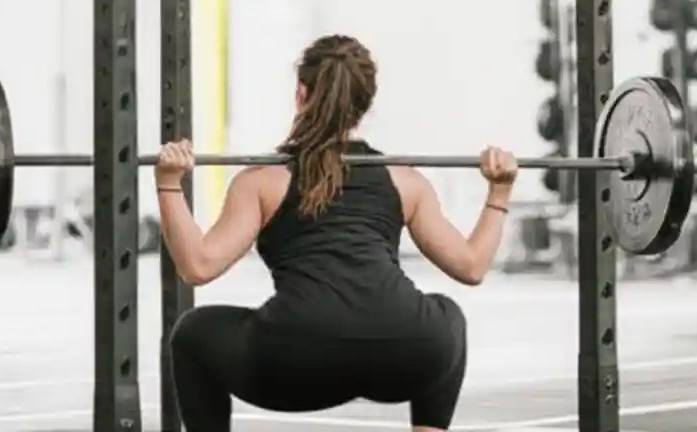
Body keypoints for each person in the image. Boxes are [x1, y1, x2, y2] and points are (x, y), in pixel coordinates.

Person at [153, 33, 519, 432]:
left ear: (300, 93)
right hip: (404, 356)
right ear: (365, 104)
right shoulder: (405, 180)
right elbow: (472, 266)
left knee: (192, 334)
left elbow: (197, 267)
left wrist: (169, 183)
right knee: (447, 318)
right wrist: (499, 191)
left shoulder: (262, 181)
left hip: (297, 362)